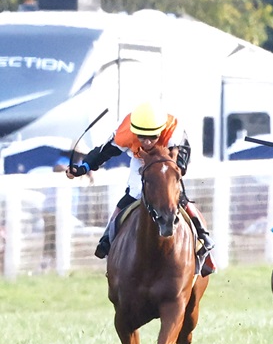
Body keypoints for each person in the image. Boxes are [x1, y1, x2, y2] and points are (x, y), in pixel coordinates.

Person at [66, 102, 214, 262]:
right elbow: (102, 152)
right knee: (135, 192)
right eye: (142, 137)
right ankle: (108, 237)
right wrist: (83, 167)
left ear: (161, 131)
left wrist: (175, 169)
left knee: (171, 191)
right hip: (140, 159)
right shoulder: (125, 131)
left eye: (152, 137)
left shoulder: (173, 130)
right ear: (134, 131)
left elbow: (182, 158)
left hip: (167, 158)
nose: (147, 142)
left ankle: (202, 233)